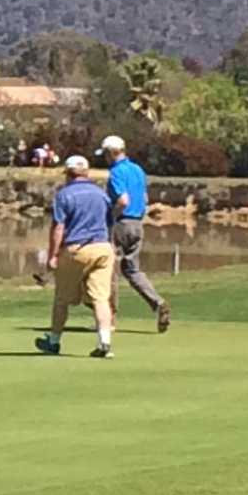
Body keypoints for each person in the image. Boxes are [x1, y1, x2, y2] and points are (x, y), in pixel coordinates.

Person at [34, 154, 118, 358]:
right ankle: (104, 343)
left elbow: (58, 228)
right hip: (102, 248)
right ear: (86, 172)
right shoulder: (101, 194)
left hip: (76, 249)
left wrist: (53, 255)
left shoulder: (64, 195)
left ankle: (53, 342)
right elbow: (109, 222)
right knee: (100, 299)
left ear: (68, 174)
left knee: (62, 298)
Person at [98, 133, 172, 334]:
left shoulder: (116, 173)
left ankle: (109, 318)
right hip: (138, 223)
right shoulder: (138, 169)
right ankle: (157, 303)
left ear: (111, 153)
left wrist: (110, 218)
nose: (104, 158)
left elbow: (122, 201)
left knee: (109, 270)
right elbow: (145, 197)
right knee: (132, 270)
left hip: (122, 222)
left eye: (105, 154)